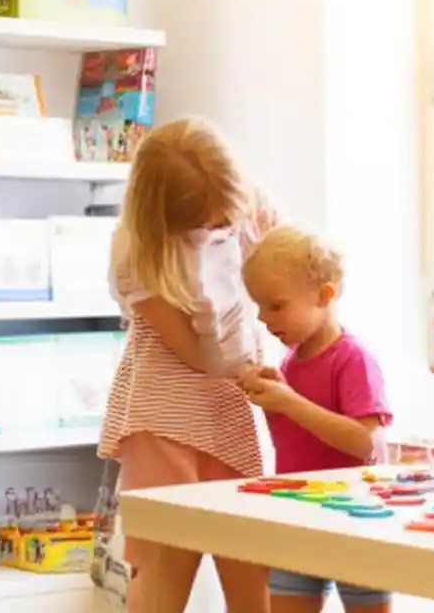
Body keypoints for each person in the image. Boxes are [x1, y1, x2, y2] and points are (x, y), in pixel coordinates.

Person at [98, 116, 276, 612]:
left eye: (226, 219)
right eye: (207, 225)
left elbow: (283, 281)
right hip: (163, 417)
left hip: (232, 411)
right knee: (162, 569)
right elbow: (198, 355)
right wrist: (216, 315)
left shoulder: (248, 209)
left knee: (251, 563)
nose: (221, 230)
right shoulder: (138, 251)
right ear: (167, 221)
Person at [240, 225, 393, 613]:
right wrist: (274, 399)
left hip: (354, 517)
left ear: (325, 296)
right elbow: (297, 442)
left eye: (276, 305)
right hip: (295, 514)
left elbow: (366, 443)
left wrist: (289, 402)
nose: (264, 318)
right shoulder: (291, 361)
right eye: (259, 307)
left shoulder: (352, 358)